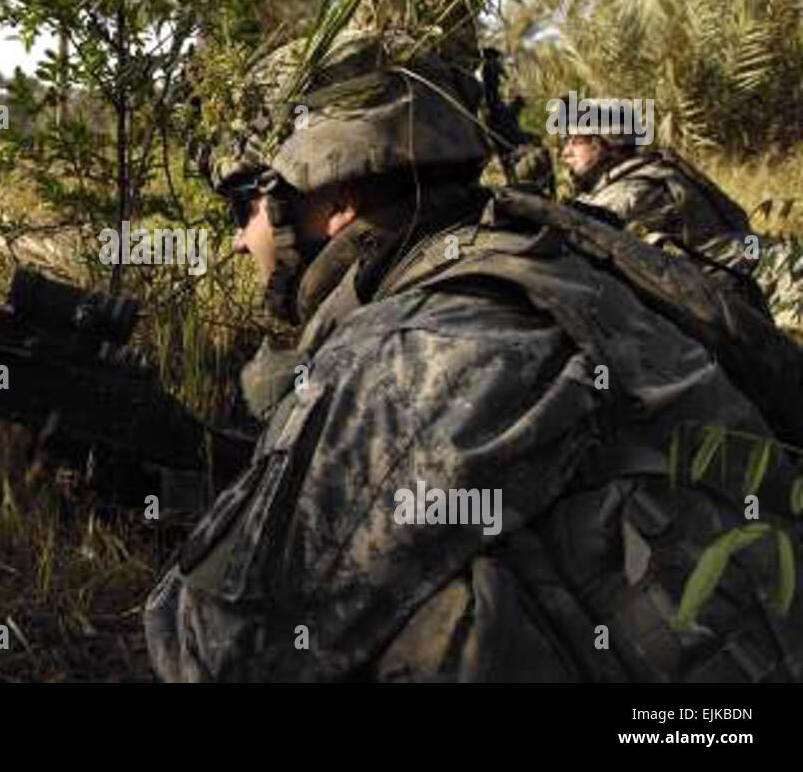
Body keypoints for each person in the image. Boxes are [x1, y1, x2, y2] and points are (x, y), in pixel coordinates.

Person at [144, 40, 803, 682]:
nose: (237, 240)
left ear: (335, 198)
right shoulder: (546, 255)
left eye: (244, 207)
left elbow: (215, 651)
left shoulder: (410, 349)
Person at [558, 104, 754, 272]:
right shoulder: (649, 170)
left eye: (577, 141)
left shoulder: (634, 190)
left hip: (760, 282)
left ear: (609, 142)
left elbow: (576, 230)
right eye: (565, 142)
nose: (566, 152)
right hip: (745, 267)